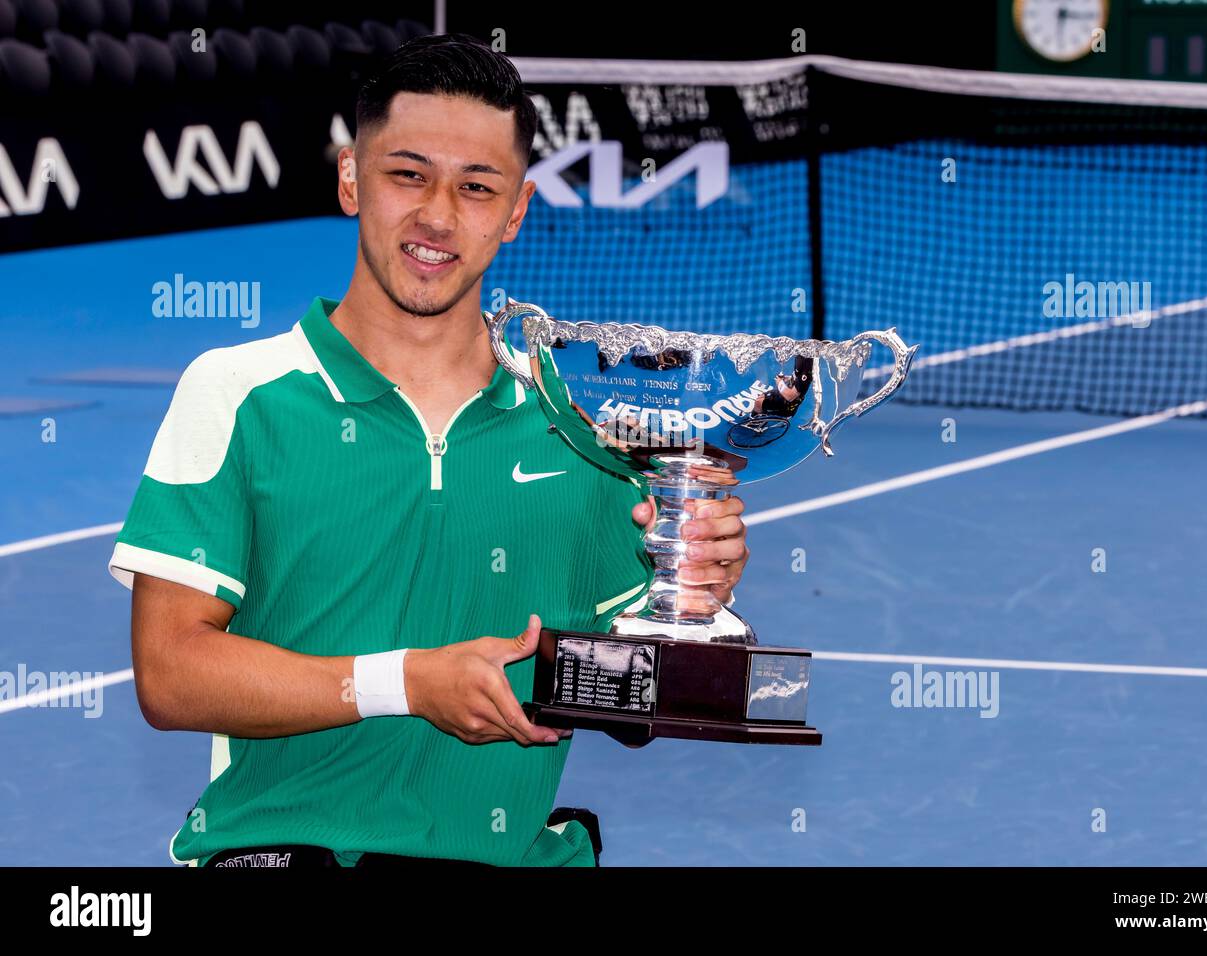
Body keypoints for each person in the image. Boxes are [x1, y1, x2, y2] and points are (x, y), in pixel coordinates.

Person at [108, 33, 749, 868]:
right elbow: (169, 672)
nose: (438, 216)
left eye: (477, 188)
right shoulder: (235, 392)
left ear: (517, 209)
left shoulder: (583, 422)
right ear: (350, 179)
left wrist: (691, 598)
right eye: (407, 175)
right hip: (285, 852)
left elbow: (630, 702)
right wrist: (405, 682)